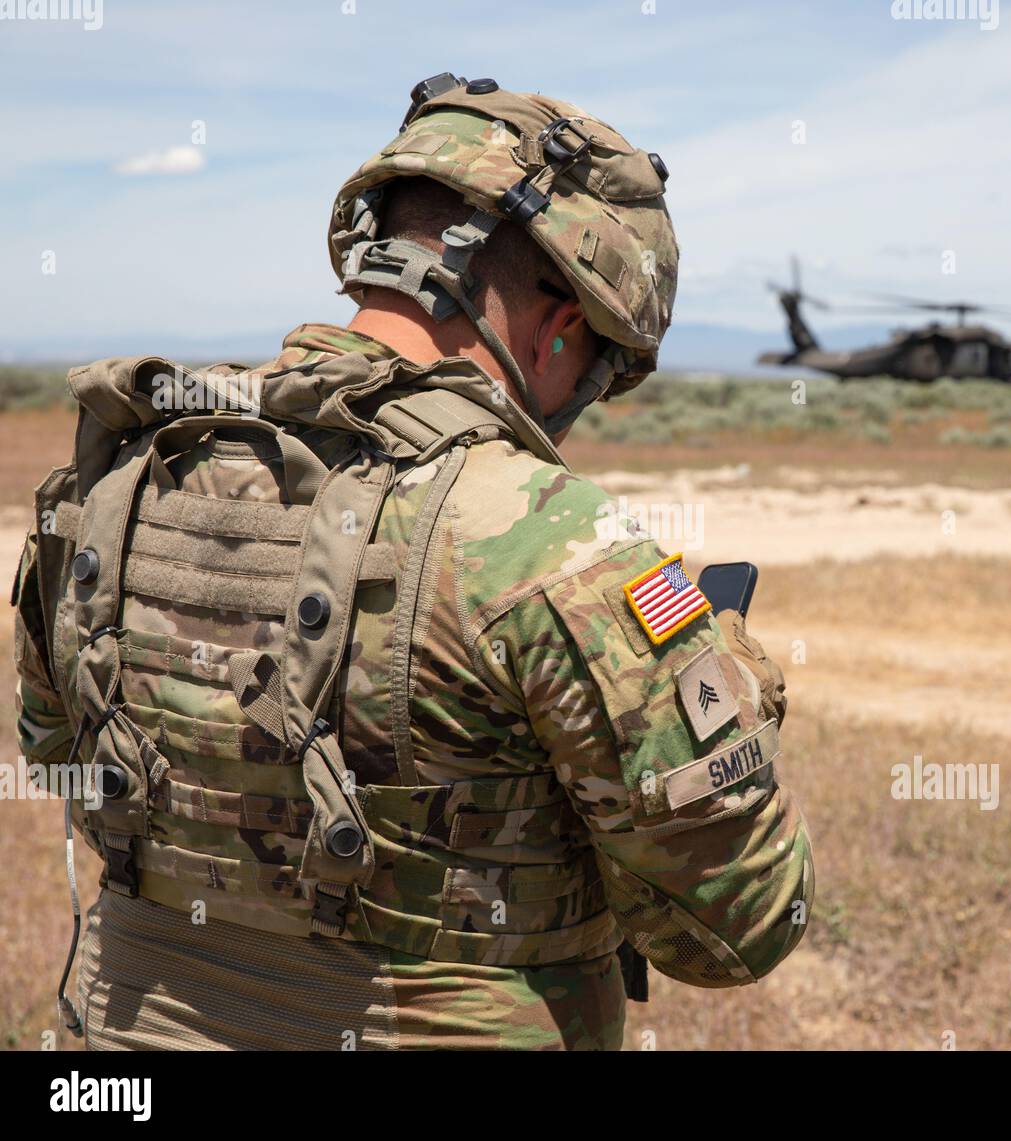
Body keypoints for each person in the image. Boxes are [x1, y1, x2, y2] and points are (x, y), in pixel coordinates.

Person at [12, 74, 814, 1051]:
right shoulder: (546, 538)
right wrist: (737, 691)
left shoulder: (119, 471)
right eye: (596, 370)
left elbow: (59, 754)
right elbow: (738, 924)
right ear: (560, 329)